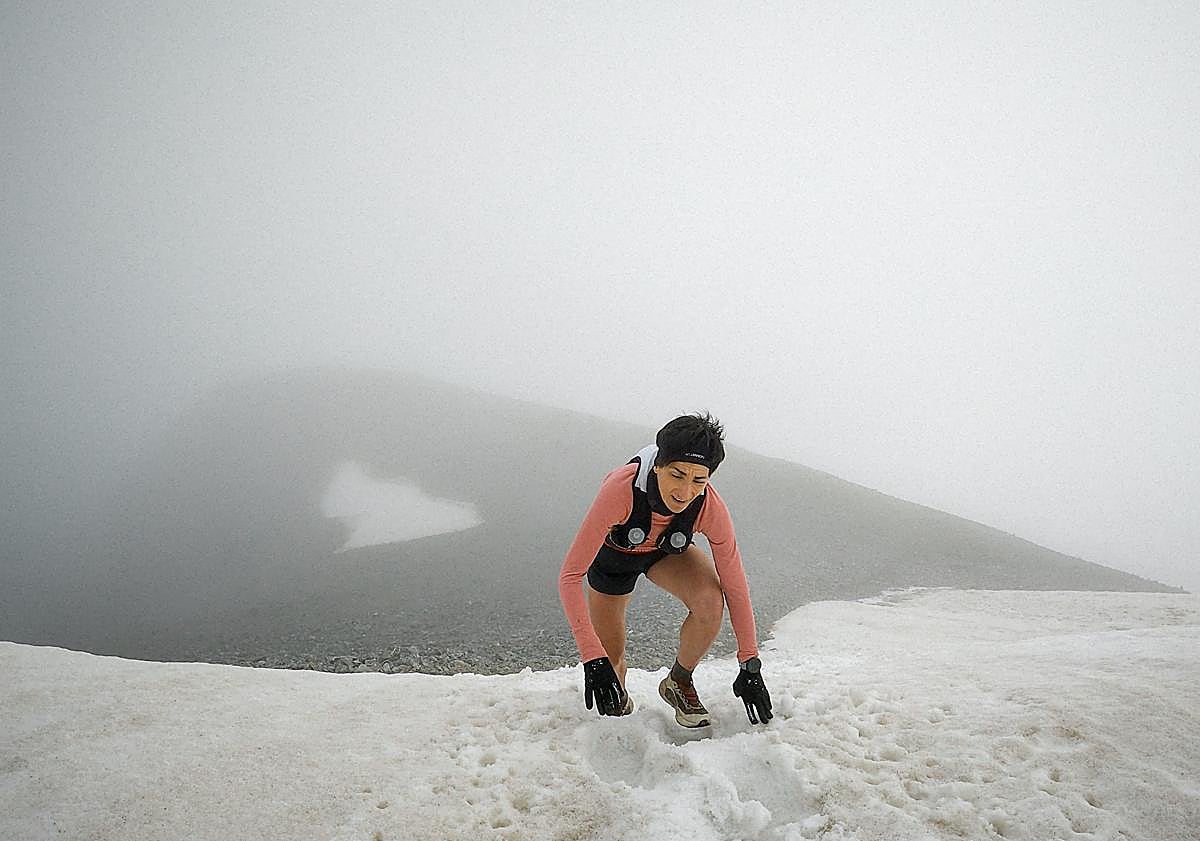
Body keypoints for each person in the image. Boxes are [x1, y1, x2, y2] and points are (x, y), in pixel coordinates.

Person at [558, 412, 772, 728]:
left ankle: (679, 682)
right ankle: (619, 686)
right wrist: (593, 658)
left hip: (666, 554)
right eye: (677, 474)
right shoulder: (621, 489)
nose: (685, 492)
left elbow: (735, 584)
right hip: (613, 561)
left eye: (699, 480)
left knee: (711, 602)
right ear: (658, 464)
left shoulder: (709, 506)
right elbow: (570, 576)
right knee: (611, 664)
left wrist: (750, 663)